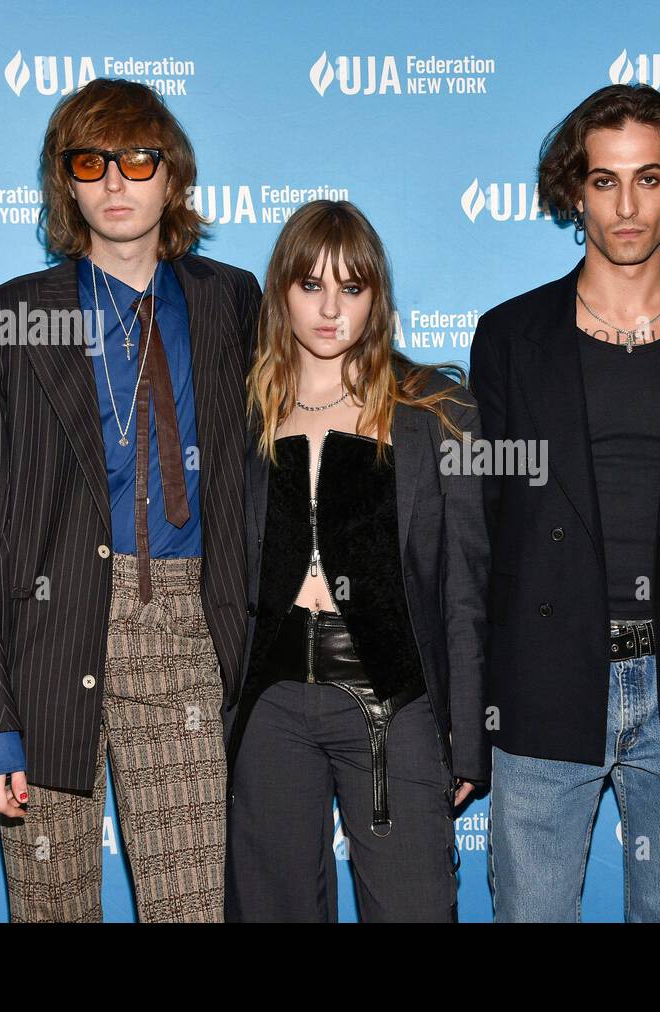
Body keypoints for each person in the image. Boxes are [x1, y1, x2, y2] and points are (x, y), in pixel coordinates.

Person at [0, 78, 260, 921]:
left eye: (138, 160)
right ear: (66, 182)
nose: (116, 182)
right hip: (41, 645)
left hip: (187, 636)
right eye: (91, 162)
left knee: (194, 910)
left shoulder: (234, 303)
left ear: (173, 177)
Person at [469, 83, 660, 922]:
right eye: (604, 181)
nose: (627, 206)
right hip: (541, 675)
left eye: (648, 179)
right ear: (574, 191)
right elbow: (487, 522)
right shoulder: (508, 336)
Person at [223, 199, 489, 922]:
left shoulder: (436, 409)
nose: (330, 308)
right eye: (311, 285)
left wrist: (468, 727)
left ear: (378, 297)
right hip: (272, 700)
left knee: (414, 906)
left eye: (351, 287)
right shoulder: (248, 410)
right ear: (283, 293)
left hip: (393, 698)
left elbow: (464, 586)